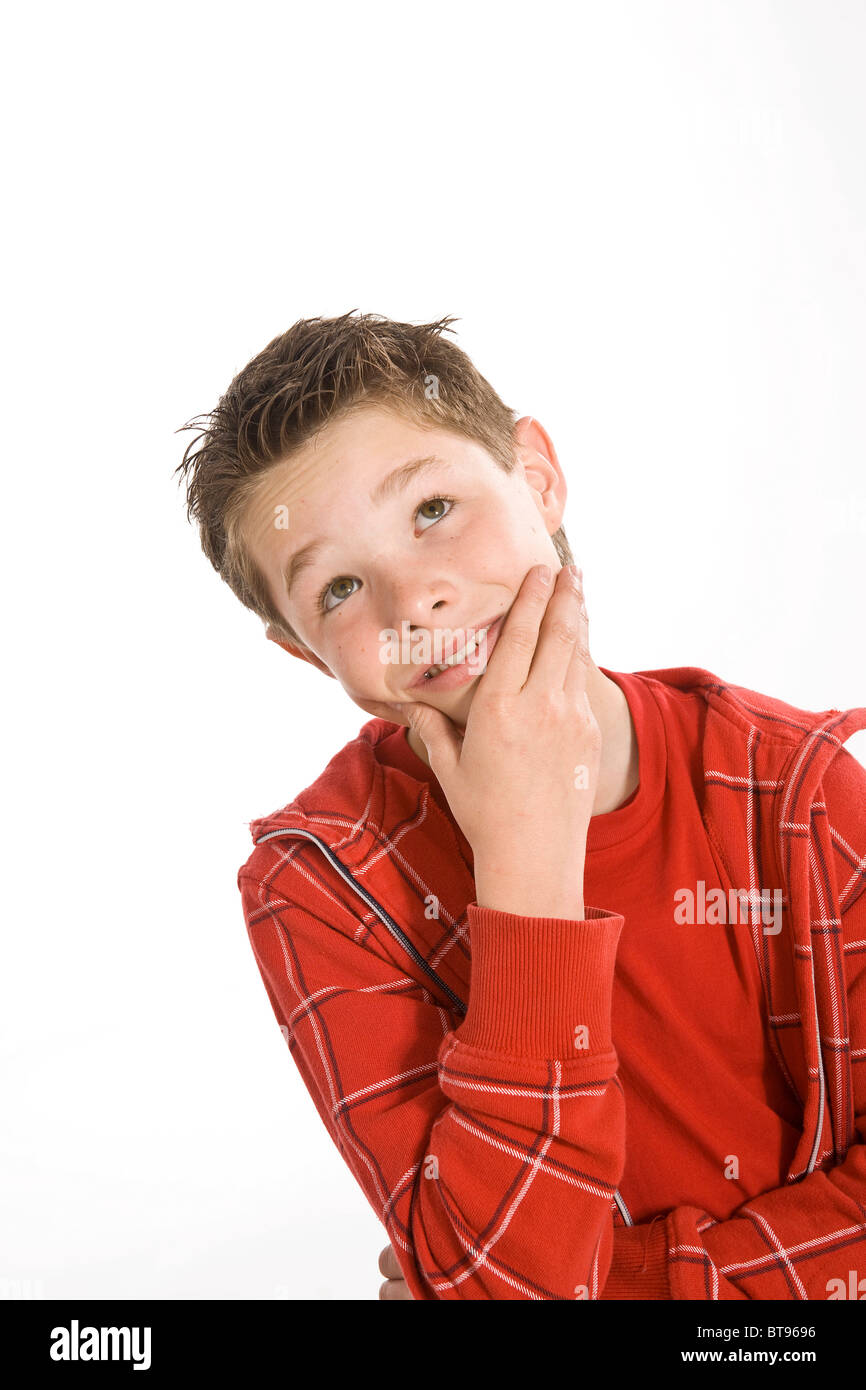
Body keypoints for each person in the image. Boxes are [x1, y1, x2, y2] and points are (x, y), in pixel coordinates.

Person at [175, 310, 866, 1300]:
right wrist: (527, 862)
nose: (415, 601)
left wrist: (629, 1292)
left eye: (429, 509)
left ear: (535, 478)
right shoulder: (319, 885)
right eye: (335, 589)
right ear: (302, 650)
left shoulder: (803, 792)